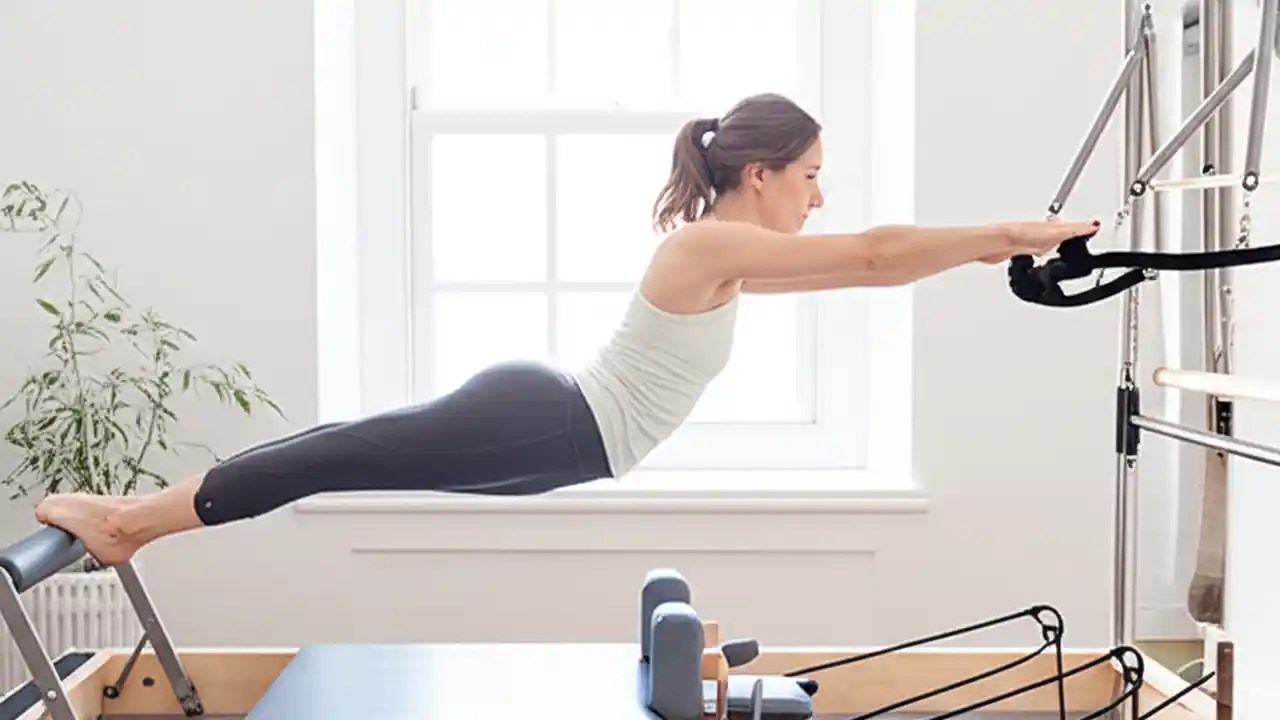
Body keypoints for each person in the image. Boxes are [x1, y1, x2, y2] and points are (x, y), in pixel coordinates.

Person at [33, 93, 1098, 566]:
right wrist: (1005, 230)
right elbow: (869, 252)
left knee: (340, 451)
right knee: (336, 456)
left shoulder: (727, 259)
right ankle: (130, 522)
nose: (819, 197)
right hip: (550, 423)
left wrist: (981, 254)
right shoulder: (705, 247)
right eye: (810, 175)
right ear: (759, 172)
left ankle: (136, 520)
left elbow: (870, 269)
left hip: (557, 434)